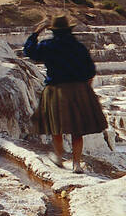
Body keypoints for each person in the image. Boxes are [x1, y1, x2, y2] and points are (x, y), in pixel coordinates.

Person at [21, 15, 108, 172]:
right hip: (78, 90)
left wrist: (36, 32)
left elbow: (29, 51)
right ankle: (76, 164)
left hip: (56, 90)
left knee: (56, 127)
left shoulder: (48, 46)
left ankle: (59, 158)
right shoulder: (79, 47)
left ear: (54, 31)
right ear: (69, 30)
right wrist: (86, 88)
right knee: (77, 130)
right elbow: (90, 70)